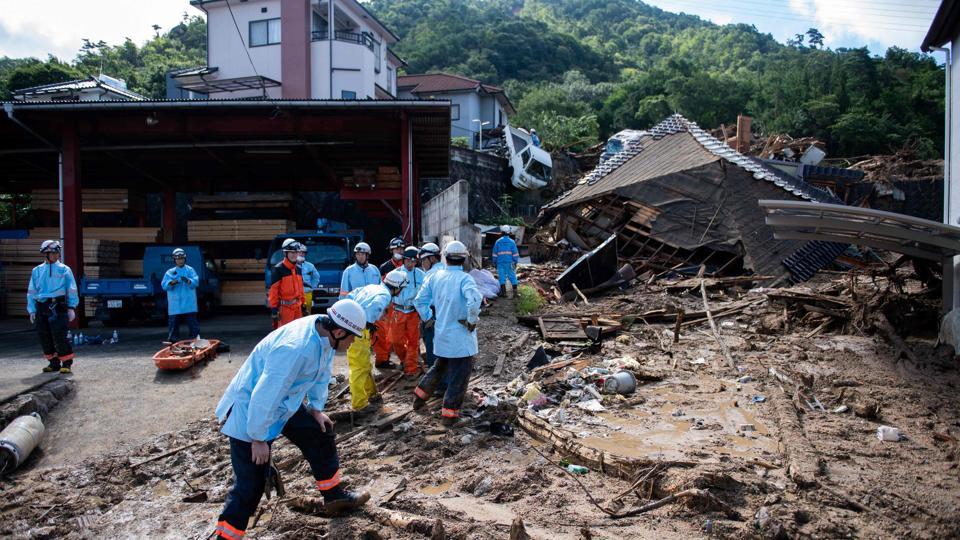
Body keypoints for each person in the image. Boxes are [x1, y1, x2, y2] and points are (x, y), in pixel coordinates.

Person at [212, 299, 370, 539]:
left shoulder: (325, 335)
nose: (352, 344)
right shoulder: (295, 348)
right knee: (250, 485)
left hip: (284, 404)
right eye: (352, 338)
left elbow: (321, 372)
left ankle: (334, 496)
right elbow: (264, 395)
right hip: (250, 412)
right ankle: (226, 536)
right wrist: (258, 438)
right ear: (339, 331)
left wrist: (316, 409)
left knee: (320, 434)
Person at [412, 241, 482, 426]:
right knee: (459, 378)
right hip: (461, 341)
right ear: (464, 258)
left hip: (442, 336)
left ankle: (419, 398)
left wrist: (429, 318)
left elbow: (419, 301)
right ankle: (449, 417)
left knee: (439, 367)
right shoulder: (465, 279)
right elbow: (474, 300)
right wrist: (472, 321)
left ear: (445, 257)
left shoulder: (435, 277)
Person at [346, 270, 408, 411]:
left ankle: (372, 394)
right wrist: (369, 323)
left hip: (354, 326)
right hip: (358, 329)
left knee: (364, 364)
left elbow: (350, 297)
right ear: (397, 287)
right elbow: (376, 307)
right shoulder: (384, 295)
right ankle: (359, 405)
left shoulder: (372, 287)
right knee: (358, 368)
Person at [27, 240, 79, 374]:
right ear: (46, 254)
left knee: (60, 335)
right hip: (41, 306)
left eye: (57, 252)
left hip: (58, 305)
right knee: (44, 335)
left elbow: (71, 289)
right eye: (54, 253)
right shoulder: (37, 271)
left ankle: (66, 363)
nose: (57, 255)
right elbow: (31, 291)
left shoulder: (64, 269)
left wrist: (71, 307)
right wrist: (32, 309)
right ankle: (53, 362)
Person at [390, 246, 425, 377]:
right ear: (403, 260)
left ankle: (411, 369)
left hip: (413, 313)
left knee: (413, 341)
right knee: (396, 340)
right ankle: (405, 360)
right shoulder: (395, 274)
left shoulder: (422, 275)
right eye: (408, 261)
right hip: (397, 311)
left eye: (413, 261)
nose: (411, 264)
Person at [161, 248, 201, 343]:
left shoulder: (190, 270)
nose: (180, 260)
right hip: (175, 304)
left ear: (185, 259)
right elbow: (164, 285)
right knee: (173, 324)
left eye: (182, 258)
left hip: (189, 302)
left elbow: (196, 282)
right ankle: (173, 341)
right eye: (178, 259)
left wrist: (187, 280)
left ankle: (196, 339)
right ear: (174, 260)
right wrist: (172, 282)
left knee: (192, 323)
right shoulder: (170, 272)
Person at [417, 243, 444, 371]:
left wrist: (427, 318)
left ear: (432, 259)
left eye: (423, 260)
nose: (423, 264)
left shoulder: (430, 274)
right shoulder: (448, 271)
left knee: (432, 348)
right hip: (447, 313)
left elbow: (420, 301)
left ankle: (437, 384)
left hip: (433, 313)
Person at [269, 239, 305, 329]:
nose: (294, 255)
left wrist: (303, 304)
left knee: (298, 334)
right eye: (292, 252)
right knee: (285, 335)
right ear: (285, 253)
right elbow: (274, 291)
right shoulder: (278, 269)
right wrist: (274, 309)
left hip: (298, 308)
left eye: (296, 252)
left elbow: (301, 289)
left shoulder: (298, 269)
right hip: (284, 309)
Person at [492, 225, 520, 297]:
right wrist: (515, 261)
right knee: (512, 276)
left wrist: (494, 262)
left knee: (502, 277)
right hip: (510, 262)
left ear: (502, 232)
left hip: (500, 263)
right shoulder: (512, 242)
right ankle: (515, 293)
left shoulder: (498, 242)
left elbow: (495, 254)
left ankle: (504, 293)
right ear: (509, 232)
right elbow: (515, 253)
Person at [298, 244, 321, 313]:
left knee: (307, 314)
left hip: (307, 293)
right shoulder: (291, 266)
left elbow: (316, 277)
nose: (302, 254)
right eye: (300, 252)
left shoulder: (310, 266)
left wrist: (311, 287)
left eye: (303, 252)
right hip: (295, 296)